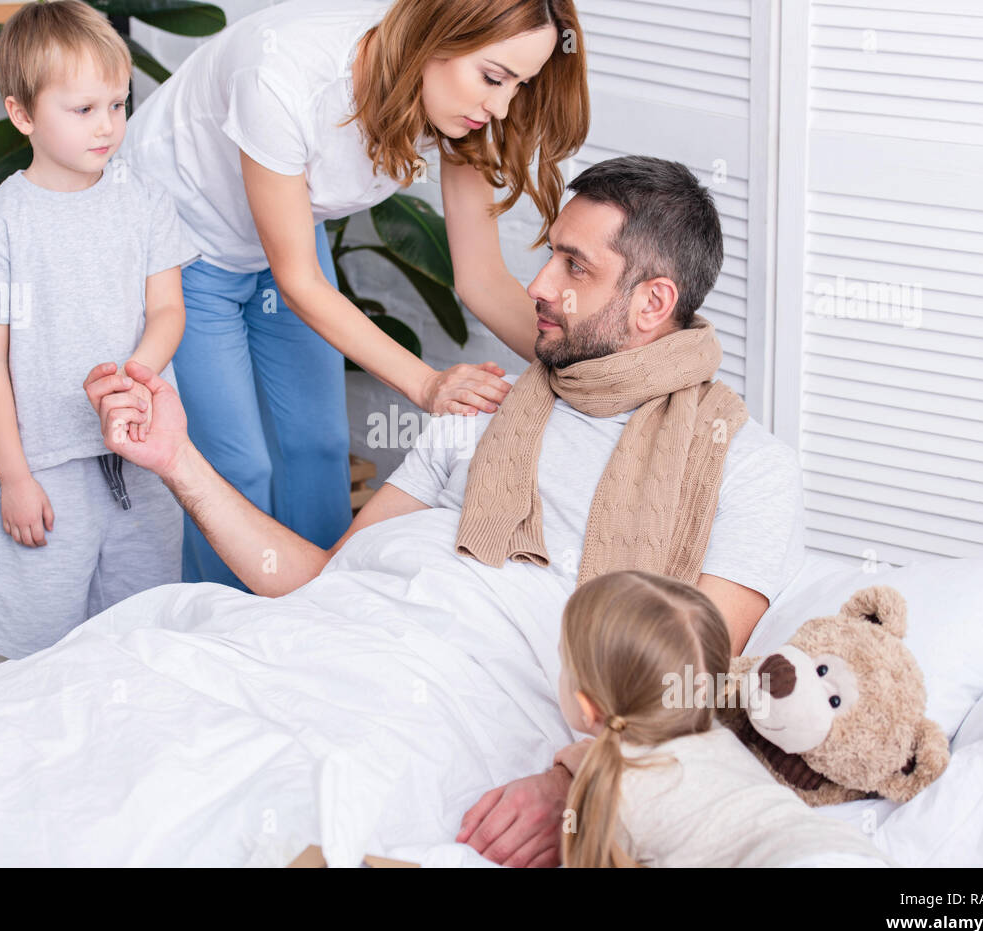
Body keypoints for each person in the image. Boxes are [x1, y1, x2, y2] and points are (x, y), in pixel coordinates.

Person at [88, 155, 809, 865]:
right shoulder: (487, 408)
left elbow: (683, 683)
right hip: (324, 637)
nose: (538, 285)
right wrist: (176, 459)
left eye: (574, 266)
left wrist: (570, 782)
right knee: (118, 742)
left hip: (464, 696)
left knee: (263, 809)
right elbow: (316, 578)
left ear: (652, 303)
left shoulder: (743, 464)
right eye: (548, 256)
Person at [116, 0, 590, 588]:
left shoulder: (469, 107)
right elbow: (300, 283)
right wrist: (427, 382)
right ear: (432, 37)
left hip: (282, 234)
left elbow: (481, 278)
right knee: (236, 464)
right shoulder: (283, 73)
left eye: (520, 84)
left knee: (318, 445)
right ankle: (221, 638)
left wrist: (589, 368)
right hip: (181, 243)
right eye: (493, 77)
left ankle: (319, 617)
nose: (502, 105)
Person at [0, 1, 200, 657]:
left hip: (143, 454)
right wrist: (16, 478)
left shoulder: (145, 203)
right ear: (23, 114)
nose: (107, 126)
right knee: (42, 642)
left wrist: (131, 376)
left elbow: (168, 310)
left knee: (141, 628)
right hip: (48, 468)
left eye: (117, 104)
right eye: (83, 109)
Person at [555, 570, 891, 867]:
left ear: (587, 707)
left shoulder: (611, 796)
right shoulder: (719, 733)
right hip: (845, 850)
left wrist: (583, 770)